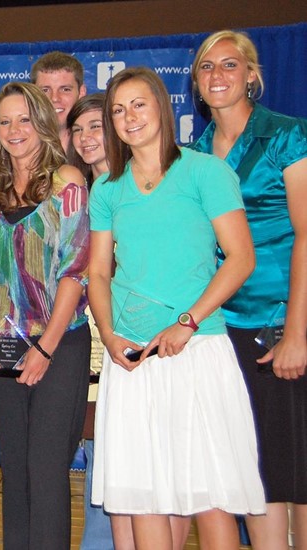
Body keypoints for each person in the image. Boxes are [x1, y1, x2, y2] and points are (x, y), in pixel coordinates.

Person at [89, 66, 265, 549]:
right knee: (145, 497)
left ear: (163, 107)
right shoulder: (107, 188)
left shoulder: (206, 171)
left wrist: (186, 323)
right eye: (119, 110)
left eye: (139, 104)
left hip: (198, 350)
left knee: (209, 497)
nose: (129, 117)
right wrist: (108, 334)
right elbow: (99, 272)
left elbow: (241, 258)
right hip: (133, 361)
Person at [189, 30, 307, 550]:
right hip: (220, 330)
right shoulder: (191, 153)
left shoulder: (288, 136)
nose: (218, 75)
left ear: (252, 76)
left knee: (295, 472)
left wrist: (297, 333)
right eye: (207, 67)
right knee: (249, 470)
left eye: (229, 65)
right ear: (195, 83)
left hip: (280, 320)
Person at [0, 81, 91, 550]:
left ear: (41, 123)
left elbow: (74, 271)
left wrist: (45, 346)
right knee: (14, 466)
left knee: (45, 467)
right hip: (1, 348)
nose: (14, 129)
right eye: (4, 121)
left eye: (23, 119)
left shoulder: (69, 183)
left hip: (59, 344)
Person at [66, 92, 124, 550]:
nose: (86, 138)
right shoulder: (79, 194)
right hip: (92, 353)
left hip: (137, 345)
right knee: (100, 466)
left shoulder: (143, 188)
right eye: (78, 129)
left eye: (96, 126)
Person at [31, 51, 87, 150]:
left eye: (65, 89)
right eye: (45, 90)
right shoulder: (22, 151)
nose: (55, 98)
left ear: (81, 92)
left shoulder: (100, 151)